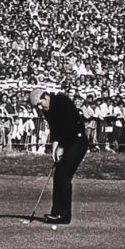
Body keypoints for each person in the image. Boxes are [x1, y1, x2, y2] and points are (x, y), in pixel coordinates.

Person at [29, 87, 89, 225]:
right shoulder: (47, 111)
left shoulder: (62, 101)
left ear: (45, 96)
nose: (40, 107)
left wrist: (61, 147)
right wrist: (55, 148)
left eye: (40, 103)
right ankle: (56, 212)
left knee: (63, 174)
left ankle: (64, 215)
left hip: (78, 141)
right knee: (58, 175)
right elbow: (55, 129)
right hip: (66, 142)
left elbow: (69, 126)